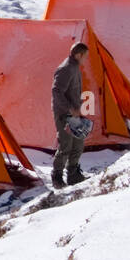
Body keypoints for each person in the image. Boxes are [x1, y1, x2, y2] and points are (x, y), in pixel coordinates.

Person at [50, 42, 90, 187]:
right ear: (78, 55)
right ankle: (57, 177)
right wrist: (69, 109)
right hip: (64, 113)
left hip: (74, 112)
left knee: (78, 142)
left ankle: (73, 174)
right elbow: (56, 91)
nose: (86, 59)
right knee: (66, 144)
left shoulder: (75, 67)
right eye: (85, 56)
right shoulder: (66, 69)